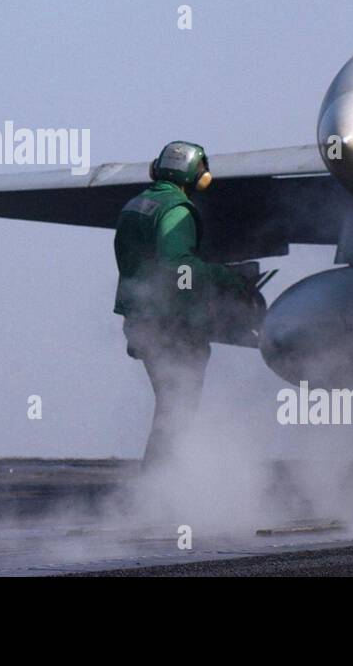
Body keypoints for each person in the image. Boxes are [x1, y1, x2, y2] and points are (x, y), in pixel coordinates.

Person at [113, 141, 244, 466]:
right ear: (198, 175)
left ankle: (160, 487)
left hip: (140, 318)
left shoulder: (136, 205)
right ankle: (160, 488)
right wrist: (226, 277)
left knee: (170, 404)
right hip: (172, 323)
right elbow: (178, 266)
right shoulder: (176, 210)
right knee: (179, 408)